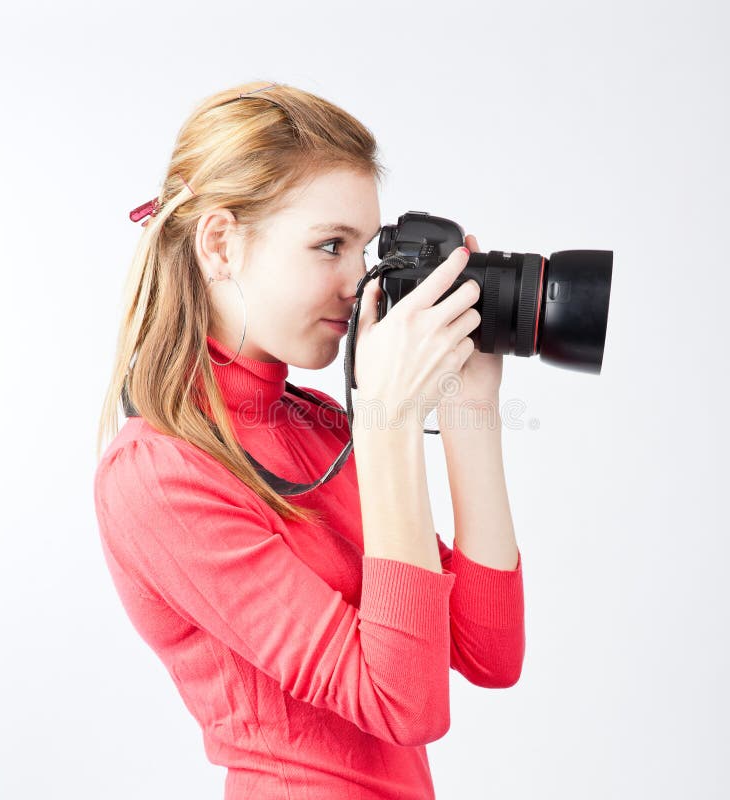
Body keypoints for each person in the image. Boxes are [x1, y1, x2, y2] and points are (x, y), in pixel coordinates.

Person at [93, 79, 525, 800]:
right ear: (221, 244)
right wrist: (385, 424)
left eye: (367, 249)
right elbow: (405, 705)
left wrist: (470, 405)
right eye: (331, 246)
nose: (361, 284)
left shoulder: (317, 429)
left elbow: (490, 649)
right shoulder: (155, 475)